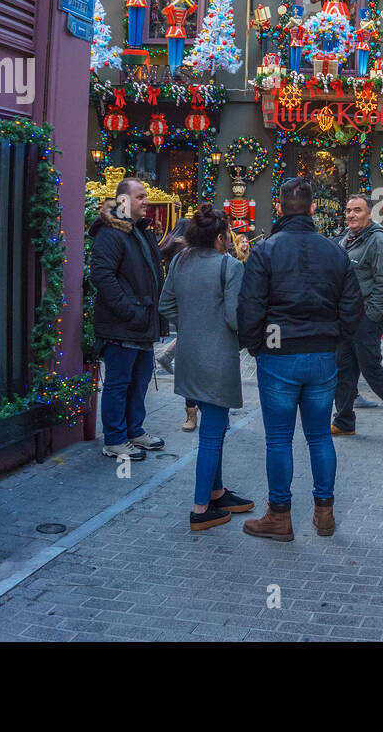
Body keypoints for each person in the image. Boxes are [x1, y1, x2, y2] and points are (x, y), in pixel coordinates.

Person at [237, 178, 363, 540]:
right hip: (322, 353)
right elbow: (353, 306)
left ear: (278, 208)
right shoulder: (335, 251)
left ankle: (280, 515)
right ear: (311, 209)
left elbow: (250, 307)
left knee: (279, 439)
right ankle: (324, 512)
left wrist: (256, 344)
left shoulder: (266, 250)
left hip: (279, 353)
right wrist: (335, 337)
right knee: (320, 436)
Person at [158, 204, 255, 531]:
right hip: (217, 358)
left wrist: (192, 326)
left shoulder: (180, 261)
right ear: (218, 237)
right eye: (227, 234)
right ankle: (201, 508)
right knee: (213, 433)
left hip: (189, 356)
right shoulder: (229, 266)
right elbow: (234, 317)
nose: (229, 239)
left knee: (215, 425)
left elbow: (165, 305)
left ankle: (217, 492)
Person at [88, 178, 167, 461]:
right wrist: (129, 311)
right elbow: (102, 276)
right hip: (123, 325)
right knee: (119, 383)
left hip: (141, 323)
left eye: (146, 196)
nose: (146, 201)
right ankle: (115, 439)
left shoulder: (138, 231)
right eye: (140, 197)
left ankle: (134, 431)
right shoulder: (111, 233)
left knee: (140, 379)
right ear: (123, 201)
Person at [332, 194, 383, 436]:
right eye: (348, 210)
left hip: (365, 318)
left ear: (369, 214)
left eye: (357, 210)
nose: (351, 215)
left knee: (371, 369)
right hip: (345, 317)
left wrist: (372, 316)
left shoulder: (378, 241)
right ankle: (344, 420)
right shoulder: (346, 239)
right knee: (343, 370)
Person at [155, 218, 199, 432]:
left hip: (184, 309)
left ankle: (192, 410)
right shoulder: (184, 249)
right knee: (194, 362)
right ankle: (192, 409)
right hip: (188, 307)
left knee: (190, 361)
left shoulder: (171, 243)